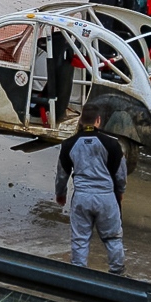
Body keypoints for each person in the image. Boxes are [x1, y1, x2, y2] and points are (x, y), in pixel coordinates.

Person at [55, 102, 127, 274]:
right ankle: (118, 275)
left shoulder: (69, 144)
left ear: (80, 121)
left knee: (80, 239)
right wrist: (120, 191)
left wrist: (60, 193)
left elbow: (62, 173)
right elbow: (120, 173)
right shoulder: (112, 144)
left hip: (81, 197)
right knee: (113, 238)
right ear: (98, 121)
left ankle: (79, 276)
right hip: (106, 198)